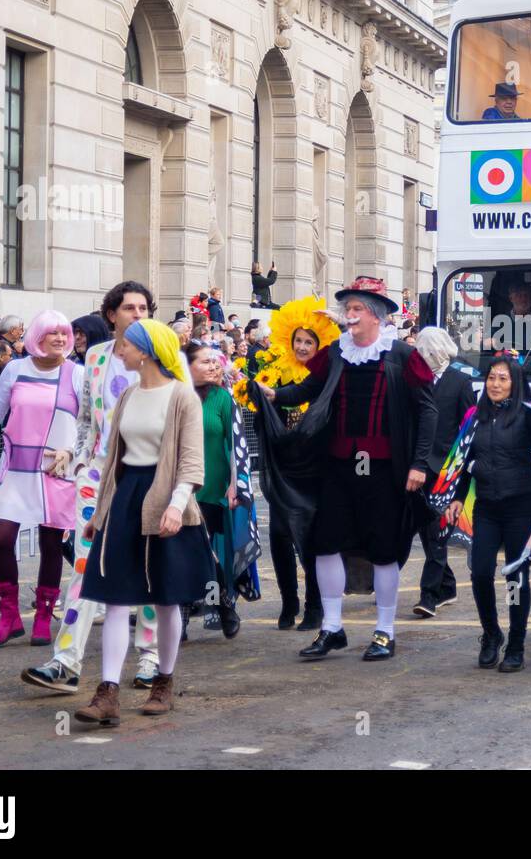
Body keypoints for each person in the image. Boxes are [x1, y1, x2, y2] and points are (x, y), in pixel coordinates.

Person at [257, 276, 436, 662]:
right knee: (325, 544)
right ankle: (332, 627)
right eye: (348, 309)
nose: (349, 316)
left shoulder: (402, 356)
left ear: (376, 317)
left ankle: (385, 631)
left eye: (357, 310)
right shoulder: (336, 352)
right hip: (338, 465)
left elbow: (427, 409)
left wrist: (420, 463)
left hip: (386, 468)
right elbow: (306, 391)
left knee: (384, 551)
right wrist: (273, 394)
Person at [72, 319, 213, 726]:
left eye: (127, 345)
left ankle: (163, 683)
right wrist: (100, 515)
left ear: (147, 351)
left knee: (166, 599)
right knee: (115, 597)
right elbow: (113, 458)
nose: (120, 350)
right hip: (126, 495)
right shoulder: (129, 394)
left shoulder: (183, 397)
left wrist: (176, 504)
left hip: (165, 495)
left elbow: (190, 460)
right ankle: (108, 692)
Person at [22, 282, 161, 695]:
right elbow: (86, 418)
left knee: (149, 565)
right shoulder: (96, 358)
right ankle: (65, 660)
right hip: (97, 477)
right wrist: (78, 456)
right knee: (85, 567)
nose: (138, 314)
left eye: (144, 308)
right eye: (129, 308)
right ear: (112, 315)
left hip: (148, 473)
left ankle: (151, 657)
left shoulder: (163, 357)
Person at [441, 356, 531, 671]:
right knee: (481, 573)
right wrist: (457, 497)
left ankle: (516, 643)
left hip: (522, 506)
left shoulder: (527, 414)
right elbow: (464, 460)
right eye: (491, 378)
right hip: (487, 506)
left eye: (503, 379)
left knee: (516, 577)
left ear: (515, 384)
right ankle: (491, 634)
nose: (496, 384)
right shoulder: (475, 416)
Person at [0, 311, 82, 648]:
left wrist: (71, 451)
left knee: (51, 543)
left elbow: (91, 422)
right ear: (37, 337)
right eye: (53, 334)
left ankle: (45, 616)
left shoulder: (77, 374)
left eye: (64, 334)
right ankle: (9, 616)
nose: (61, 339)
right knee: (2, 538)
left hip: (54, 470)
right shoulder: (15, 370)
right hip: (14, 467)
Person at [248, 296, 342, 630]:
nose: (302, 347)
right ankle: (289, 602)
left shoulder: (327, 375)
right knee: (279, 534)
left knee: (312, 539)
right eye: (298, 341)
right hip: (285, 468)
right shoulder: (276, 371)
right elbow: (262, 404)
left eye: (309, 341)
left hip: (316, 467)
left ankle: (315, 606)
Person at [410, 327, 477, 618]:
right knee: (426, 533)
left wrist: (466, 469)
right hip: (420, 466)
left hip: (449, 470)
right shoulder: (416, 381)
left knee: (437, 533)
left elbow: (468, 427)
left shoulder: (461, 381)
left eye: (429, 352)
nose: (425, 358)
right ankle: (447, 585)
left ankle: (429, 594)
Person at [186, 342, 244, 639]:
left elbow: (235, 445)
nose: (214, 366)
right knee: (186, 550)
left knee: (204, 549)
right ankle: (185, 610)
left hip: (212, 488)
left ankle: (224, 605)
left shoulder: (223, 398)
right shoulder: (176, 396)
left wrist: (236, 484)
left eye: (215, 361)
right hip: (180, 488)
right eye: (205, 362)